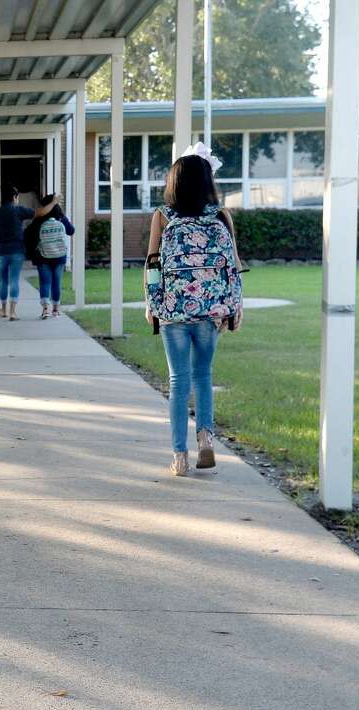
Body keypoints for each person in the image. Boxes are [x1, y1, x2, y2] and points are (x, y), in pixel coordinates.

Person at [144, 145, 244, 477]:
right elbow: (233, 265)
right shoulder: (220, 215)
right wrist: (234, 306)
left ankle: (179, 457)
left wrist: (151, 304)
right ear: (207, 182)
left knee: (178, 381)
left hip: (173, 310)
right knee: (203, 376)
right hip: (211, 309)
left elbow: (153, 264)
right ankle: (206, 440)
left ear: (173, 182)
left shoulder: (162, 215)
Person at [0, 188, 57, 320]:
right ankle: (13, 312)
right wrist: (53, 202)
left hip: (0, 250)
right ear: (14, 197)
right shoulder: (18, 210)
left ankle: (3, 310)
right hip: (17, 250)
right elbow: (40, 212)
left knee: (3, 281)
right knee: (14, 280)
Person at [31, 195, 75, 319]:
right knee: (57, 282)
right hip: (59, 256)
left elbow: (31, 235)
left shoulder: (39, 219)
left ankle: (45, 310)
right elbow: (71, 231)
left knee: (44, 282)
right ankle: (56, 310)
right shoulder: (60, 218)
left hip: (43, 256)